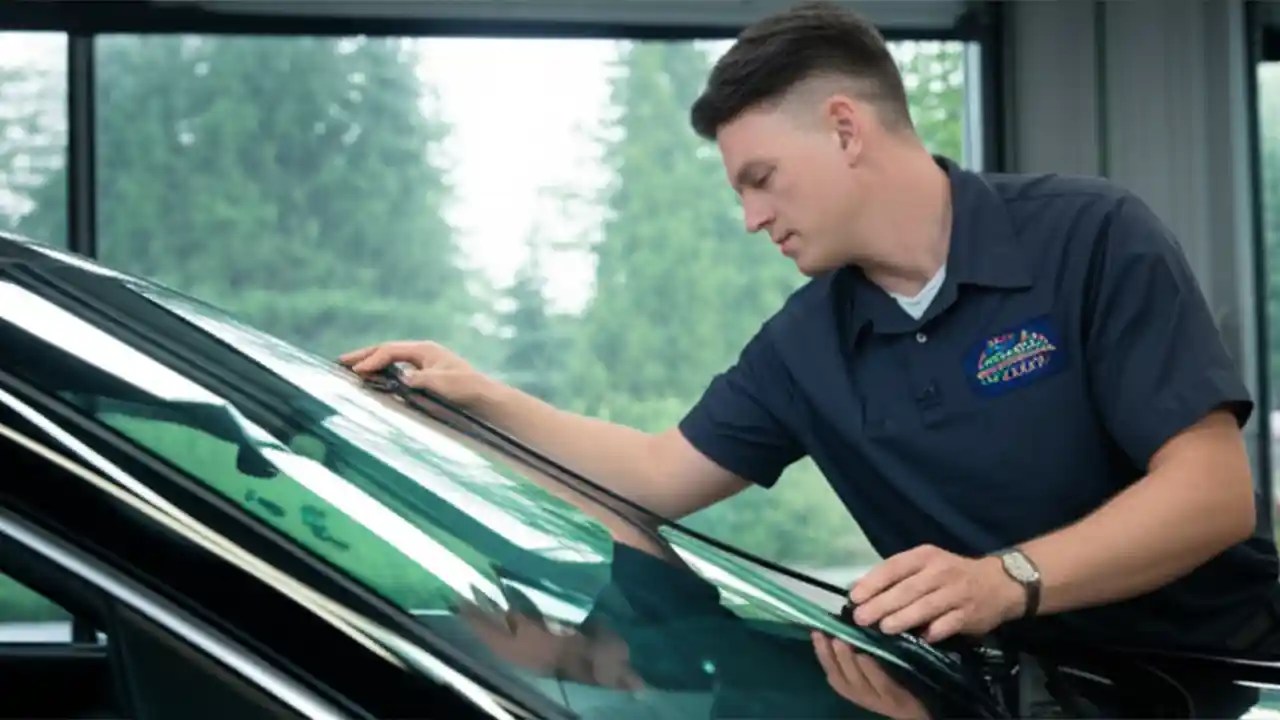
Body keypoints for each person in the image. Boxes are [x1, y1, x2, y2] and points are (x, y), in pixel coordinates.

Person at [341, 0, 1280, 683]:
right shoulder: (806, 345)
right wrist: (477, 401)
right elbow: (655, 478)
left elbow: (1213, 495)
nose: (752, 219)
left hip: (1230, 674)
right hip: (1016, 696)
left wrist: (1006, 580)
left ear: (844, 129)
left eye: (761, 179)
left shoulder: (1091, 235)